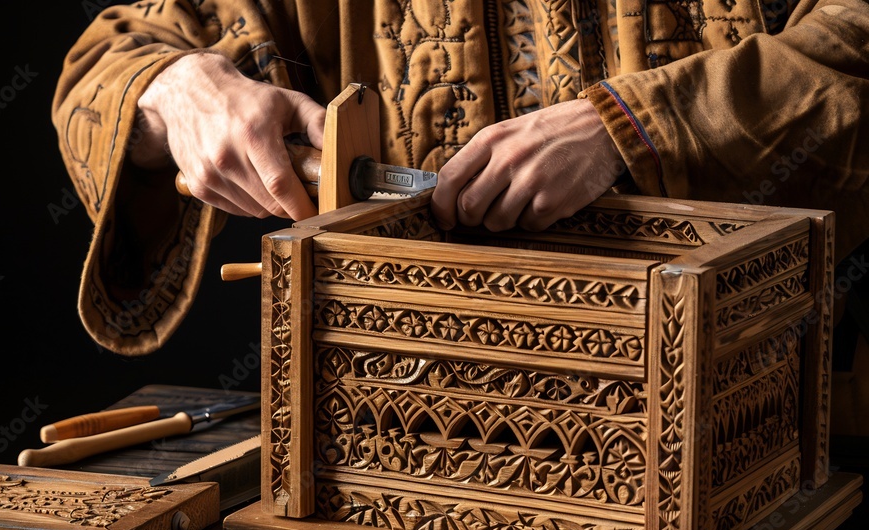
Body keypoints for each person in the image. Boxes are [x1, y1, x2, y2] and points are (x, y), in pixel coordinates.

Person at [53, 0, 869, 355]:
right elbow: (116, 59)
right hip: (407, 421)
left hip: (748, 408)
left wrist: (636, 124)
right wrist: (178, 91)